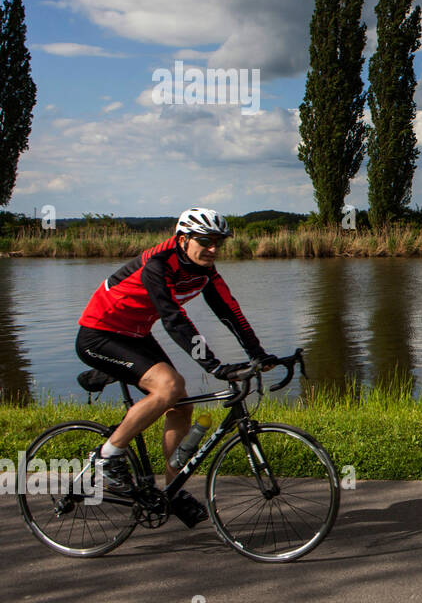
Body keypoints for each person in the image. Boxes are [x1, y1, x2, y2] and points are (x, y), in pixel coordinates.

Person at [76, 208, 274, 524]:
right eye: (206, 241)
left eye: (218, 243)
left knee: (180, 403)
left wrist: (259, 354)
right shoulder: (157, 265)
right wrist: (214, 366)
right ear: (183, 239)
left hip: (135, 334)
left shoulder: (204, 270)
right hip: (99, 333)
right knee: (167, 387)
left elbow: (230, 310)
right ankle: (107, 457)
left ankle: (173, 487)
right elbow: (174, 320)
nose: (213, 249)